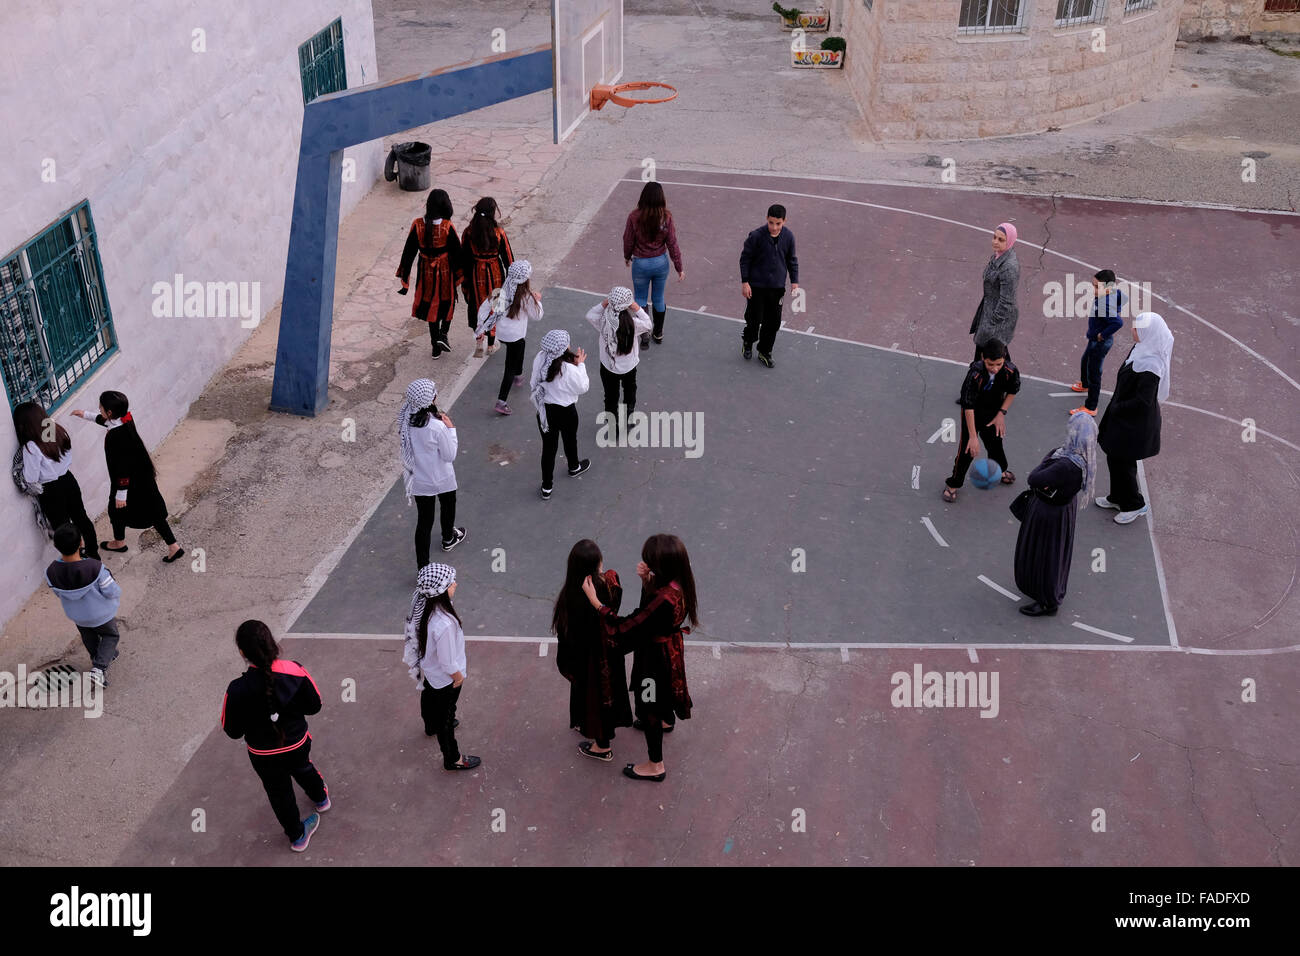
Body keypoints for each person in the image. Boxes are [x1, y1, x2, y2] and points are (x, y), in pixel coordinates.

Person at [581, 533, 696, 782]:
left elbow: (628, 625)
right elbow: (653, 616)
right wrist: (647, 580)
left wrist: (596, 603)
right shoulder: (679, 583)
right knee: (661, 699)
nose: (646, 565)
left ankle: (656, 765)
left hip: (653, 663)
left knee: (648, 706)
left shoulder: (661, 598)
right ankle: (667, 721)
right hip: (668, 651)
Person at [221, 620, 330, 852]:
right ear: (272, 644)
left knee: (278, 793)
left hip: (263, 755)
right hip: (297, 743)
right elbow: (315, 705)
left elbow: (232, 731)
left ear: (242, 652)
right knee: (304, 768)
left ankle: (297, 836)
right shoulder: (294, 671)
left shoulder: (236, 689)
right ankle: (321, 799)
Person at [70, 392, 183, 562]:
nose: (98, 409)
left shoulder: (117, 437)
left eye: (100, 407)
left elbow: (122, 467)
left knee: (116, 511)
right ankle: (173, 546)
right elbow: (105, 421)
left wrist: (121, 493)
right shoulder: (124, 420)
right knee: (153, 512)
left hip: (128, 482)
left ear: (109, 412)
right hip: (142, 478)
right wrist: (85, 414)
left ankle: (119, 542)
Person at [1012, 412, 1098, 617]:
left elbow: (1034, 478)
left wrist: (1048, 458)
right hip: (1062, 511)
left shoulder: (1066, 463)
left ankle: (1047, 602)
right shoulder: (1084, 458)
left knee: (1045, 555)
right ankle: (1046, 594)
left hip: (1048, 513)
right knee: (1054, 553)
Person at [554, 539, 631, 761]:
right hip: (609, 653)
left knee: (591, 697)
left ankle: (602, 746)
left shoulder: (571, 595)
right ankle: (596, 731)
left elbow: (567, 633)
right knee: (606, 696)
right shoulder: (610, 584)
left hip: (585, 657)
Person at [1096, 311, 1174, 525]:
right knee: (1115, 457)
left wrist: (1118, 407)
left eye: (1137, 328)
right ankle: (1117, 496)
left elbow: (1143, 402)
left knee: (1123, 462)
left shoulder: (1152, 365)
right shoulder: (1141, 348)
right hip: (1124, 418)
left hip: (1134, 424)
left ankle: (1134, 504)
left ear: (1148, 333)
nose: (1132, 330)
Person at [402, 563, 480, 771]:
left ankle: (430, 726)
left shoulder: (423, 605)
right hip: (446, 677)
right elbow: (447, 661)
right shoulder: (445, 623)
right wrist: (458, 678)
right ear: (441, 590)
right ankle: (452, 758)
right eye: (451, 582)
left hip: (431, 671)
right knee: (447, 716)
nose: (455, 583)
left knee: (428, 697)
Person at [13, 401, 99, 560]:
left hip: (51, 490)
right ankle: (93, 554)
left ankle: (76, 561)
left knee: (63, 528)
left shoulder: (31, 446)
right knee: (81, 518)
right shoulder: (56, 430)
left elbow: (30, 478)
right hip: (68, 479)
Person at [396, 378, 465, 569]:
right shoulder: (437, 426)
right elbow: (449, 454)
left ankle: (423, 567)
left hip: (419, 480)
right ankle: (448, 538)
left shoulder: (406, 421)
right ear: (430, 399)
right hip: (442, 477)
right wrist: (451, 429)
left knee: (424, 522)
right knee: (448, 504)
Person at [943, 339, 1020, 502]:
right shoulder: (975, 373)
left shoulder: (1010, 370)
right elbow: (968, 405)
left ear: (1004, 357)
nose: (995, 368)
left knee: (995, 443)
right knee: (967, 450)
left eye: (998, 364)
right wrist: (972, 436)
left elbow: (1013, 391)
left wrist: (1001, 413)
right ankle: (953, 484)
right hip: (973, 412)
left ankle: (1000, 470)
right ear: (983, 358)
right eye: (990, 364)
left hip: (994, 411)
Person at [45, 523, 121, 687]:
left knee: (89, 638)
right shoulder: (96, 568)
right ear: (81, 543)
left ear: (57, 546)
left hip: (78, 616)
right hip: (101, 614)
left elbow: (58, 593)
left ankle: (101, 657)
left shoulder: (51, 572)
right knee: (110, 636)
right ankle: (99, 668)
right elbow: (111, 591)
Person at [397, 188, 463, 359]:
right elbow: (457, 253)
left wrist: (405, 280)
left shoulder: (418, 224)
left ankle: (435, 346)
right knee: (448, 304)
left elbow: (408, 252)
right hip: (445, 272)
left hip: (425, 273)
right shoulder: (447, 227)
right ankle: (443, 334)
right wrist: (461, 275)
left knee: (431, 306)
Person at [530, 328, 591, 499]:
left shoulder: (540, 358)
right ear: (564, 348)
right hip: (566, 411)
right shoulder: (568, 369)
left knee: (549, 448)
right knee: (570, 440)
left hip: (545, 410)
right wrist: (580, 365)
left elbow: (533, 381)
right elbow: (583, 387)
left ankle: (546, 487)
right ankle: (574, 467)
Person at [477, 259, 543, 416]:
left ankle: (519, 375)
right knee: (509, 366)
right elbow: (538, 315)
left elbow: (485, 308)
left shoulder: (499, 291)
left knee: (521, 346)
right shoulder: (526, 297)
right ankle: (502, 401)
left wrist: (481, 324)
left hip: (502, 333)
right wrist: (538, 301)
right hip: (515, 335)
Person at [623, 181, 684, 348]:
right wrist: (679, 266)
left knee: (641, 299)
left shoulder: (634, 216)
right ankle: (658, 333)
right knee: (658, 298)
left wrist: (627, 256)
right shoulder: (666, 217)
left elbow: (628, 240)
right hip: (660, 263)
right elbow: (672, 243)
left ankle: (644, 335)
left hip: (641, 263)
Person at [739, 204, 799, 368]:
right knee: (754, 319)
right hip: (756, 287)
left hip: (777, 287)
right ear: (767, 218)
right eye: (771, 222)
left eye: (778, 223)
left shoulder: (789, 237)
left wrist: (794, 282)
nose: (774, 227)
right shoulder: (756, 236)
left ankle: (765, 351)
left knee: (773, 322)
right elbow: (745, 259)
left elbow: (792, 260)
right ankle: (748, 342)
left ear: (784, 221)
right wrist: (745, 282)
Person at [585, 286, 652, 431]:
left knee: (610, 397)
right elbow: (648, 323)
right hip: (629, 367)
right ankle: (628, 419)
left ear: (610, 301)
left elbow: (590, 315)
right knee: (629, 392)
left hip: (608, 367)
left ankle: (612, 426)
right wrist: (636, 307)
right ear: (628, 304)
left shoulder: (603, 321)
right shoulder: (633, 324)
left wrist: (604, 303)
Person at [461, 196, 514, 357]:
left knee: (478, 308)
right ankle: (491, 345)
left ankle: (479, 341)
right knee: (495, 308)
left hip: (477, 274)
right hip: (496, 273)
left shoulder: (469, 232)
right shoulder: (498, 232)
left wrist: (464, 281)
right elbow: (509, 259)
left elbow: (464, 257)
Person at [1070, 270, 1126, 416]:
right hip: (1094, 339)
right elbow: (1122, 296)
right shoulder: (1111, 294)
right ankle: (1085, 384)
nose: (1093, 290)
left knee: (1094, 372)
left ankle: (1091, 406)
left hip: (1100, 342)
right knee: (1085, 361)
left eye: (1097, 287)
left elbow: (1118, 322)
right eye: (1093, 285)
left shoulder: (1104, 304)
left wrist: (1103, 334)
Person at [970, 222, 1020, 362]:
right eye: (994, 237)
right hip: (989, 312)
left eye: (1001, 239)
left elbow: (1007, 301)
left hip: (997, 319)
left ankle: (979, 378)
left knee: (990, 353)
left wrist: (992, 322)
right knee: (994, 353)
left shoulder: (1009, 267)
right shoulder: (998, 256)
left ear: (1010, 241)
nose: (995, 242)